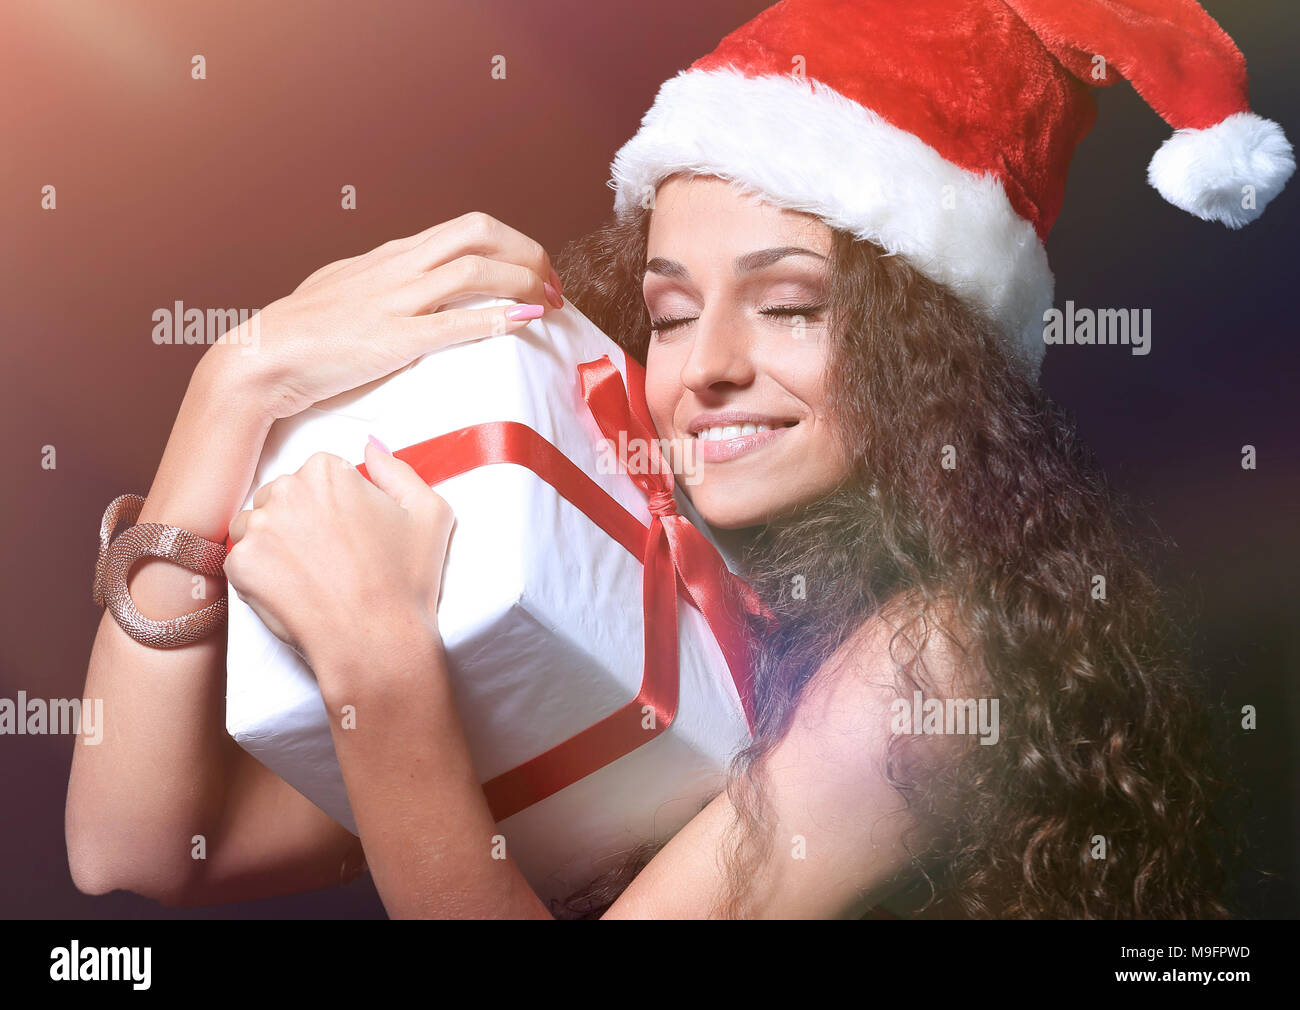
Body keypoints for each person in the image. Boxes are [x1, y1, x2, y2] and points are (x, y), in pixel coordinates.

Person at [67, 0, 1292, 918]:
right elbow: (132, 848)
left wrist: (380, 666)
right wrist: (232, 388)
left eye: (791, 305)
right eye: (667, 312)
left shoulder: (934, 663)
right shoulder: (636, 583)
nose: (703, 368)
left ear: (931, 358)